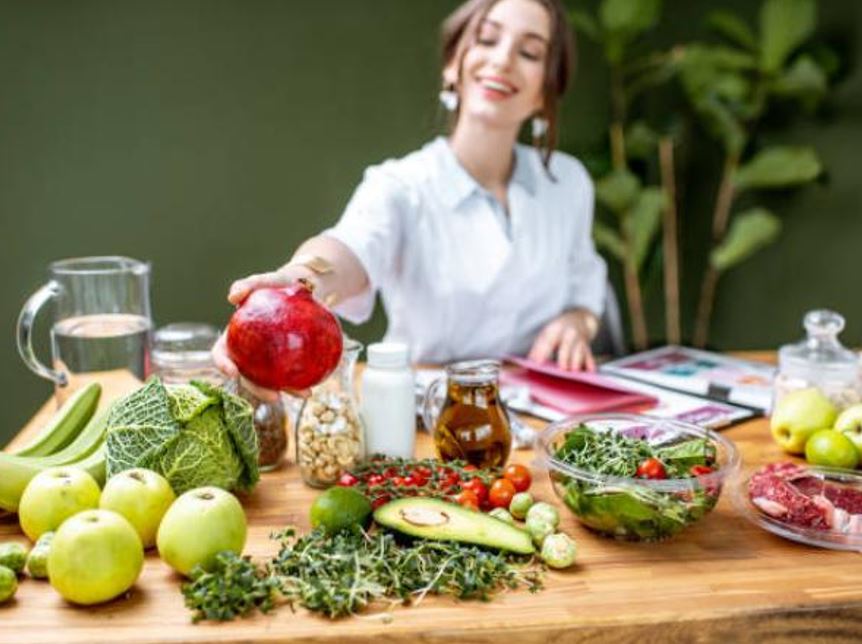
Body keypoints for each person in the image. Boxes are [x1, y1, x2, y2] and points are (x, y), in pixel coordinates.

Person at [213, 0, 607, 396]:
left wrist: (577, 321)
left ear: (546, 90)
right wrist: (297, 281)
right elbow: (348, 248)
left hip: (543, 414)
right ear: (453, 62)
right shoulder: (400, 186)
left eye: (530, 52)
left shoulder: (568, 183)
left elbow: (585, 286)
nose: (503, 59)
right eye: (487, 39)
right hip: (428, 417)